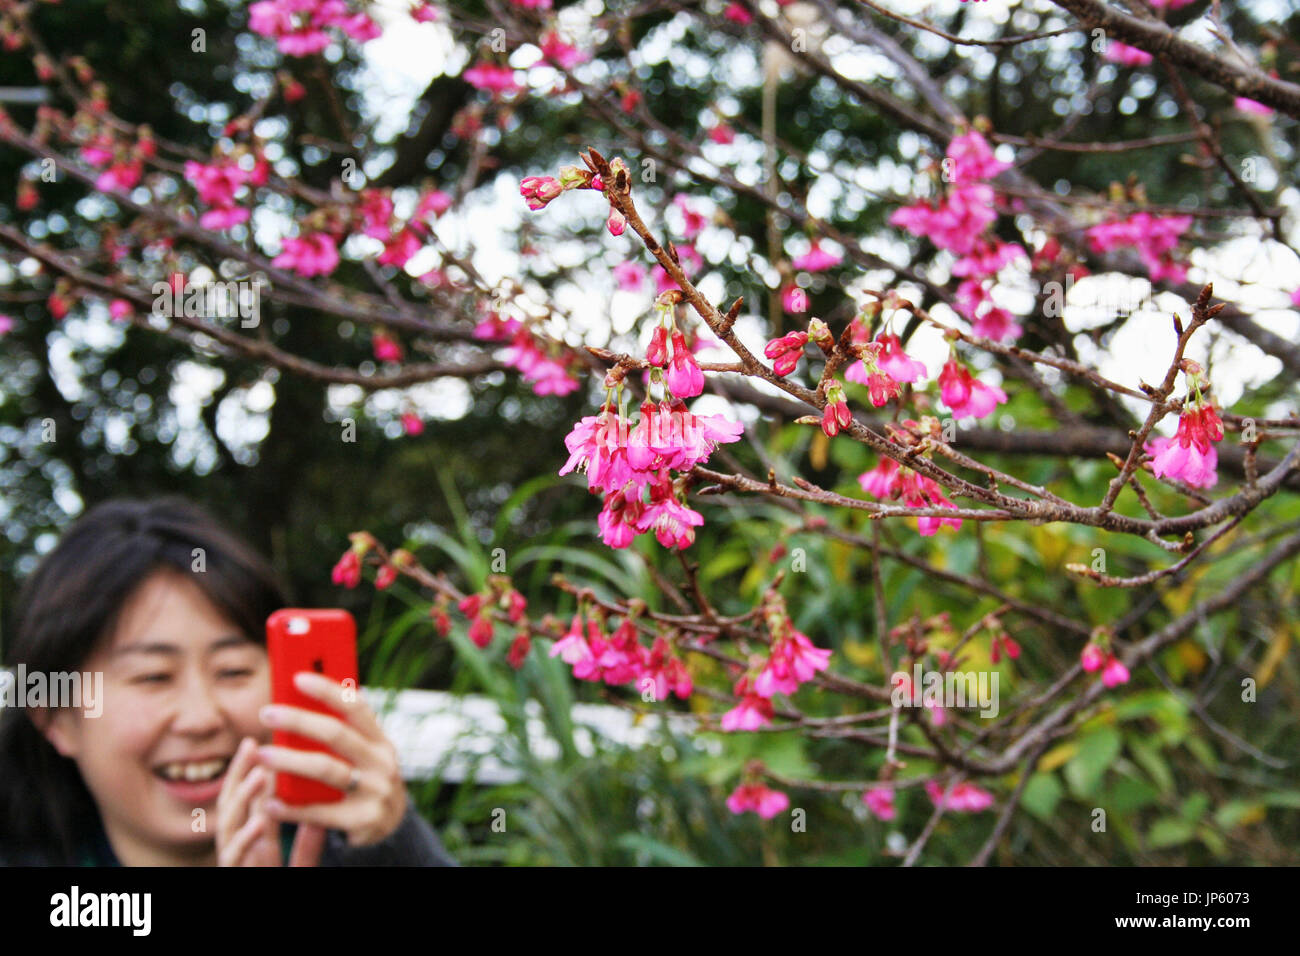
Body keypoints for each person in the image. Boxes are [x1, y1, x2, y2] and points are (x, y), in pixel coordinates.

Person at [0, 496, 457, 866]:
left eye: (234, 671)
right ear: (55, 716)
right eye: (153, 676)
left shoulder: (363, 849)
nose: (201, 718)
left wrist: (393, 846)